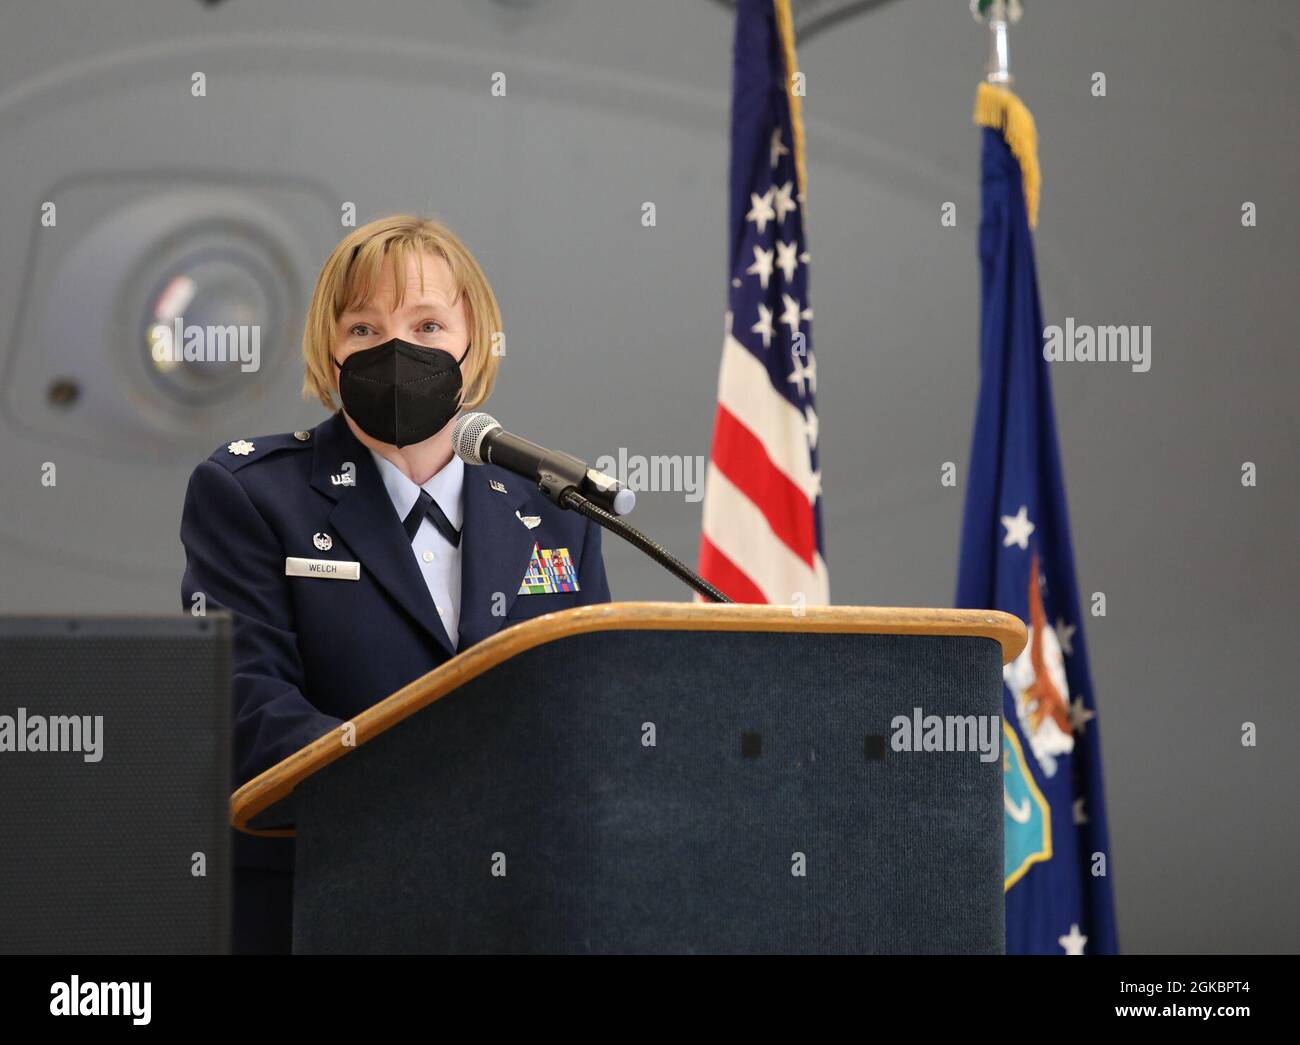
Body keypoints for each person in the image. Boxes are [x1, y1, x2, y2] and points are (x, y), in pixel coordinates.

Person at [179, 215, 612, 954]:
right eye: (364, 330)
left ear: (473, 345)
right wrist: (432, 784)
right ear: (330, 350)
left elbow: (598, 709)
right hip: (315, 901)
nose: (397, 351)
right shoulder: (251, 494)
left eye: (428, 323)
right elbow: (243, 704)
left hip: (515, 911)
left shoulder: (552, 509)